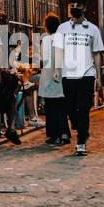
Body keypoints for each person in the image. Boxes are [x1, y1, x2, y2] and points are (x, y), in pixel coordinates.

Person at [53, 0, 104, 157]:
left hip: (87, 74)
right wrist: (56, 69)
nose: (74, 7)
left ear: (85, 8)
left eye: (78, 5)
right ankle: (79, 127)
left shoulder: (93, 29)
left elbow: (97, 53)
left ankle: (81, 143)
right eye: (72, 5)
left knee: (83, 108)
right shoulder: (62, 28)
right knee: (69, 109)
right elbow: (58, 50)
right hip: (68, 74)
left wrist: (99, 77)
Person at [38, 14, 69, 145]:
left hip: (48, 74)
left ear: (46, 26)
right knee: (61, 107)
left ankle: (54, 134)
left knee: (50, 108)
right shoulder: (62, 38)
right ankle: (64, 133)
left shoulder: (45, 38)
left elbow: (42, 58)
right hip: (62, 74)